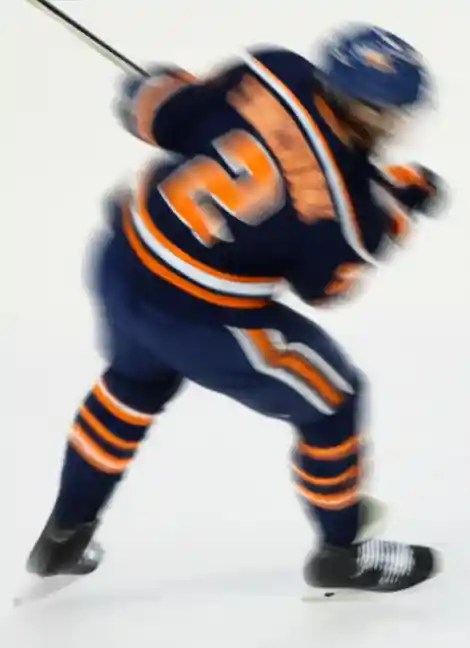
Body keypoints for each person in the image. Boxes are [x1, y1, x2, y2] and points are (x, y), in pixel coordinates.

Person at [23, 24, 447, 598]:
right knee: (333, 401)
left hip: (123, 265)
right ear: (359, 107)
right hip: (202, 319)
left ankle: (64, 535)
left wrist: (155, 89)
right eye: (388, 115)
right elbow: (325, 288)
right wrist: (398, 204)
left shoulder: (272, 71)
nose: (394, 127)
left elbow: (159, 115)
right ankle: (342, 552)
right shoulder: (349, 214)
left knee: (131, 386)